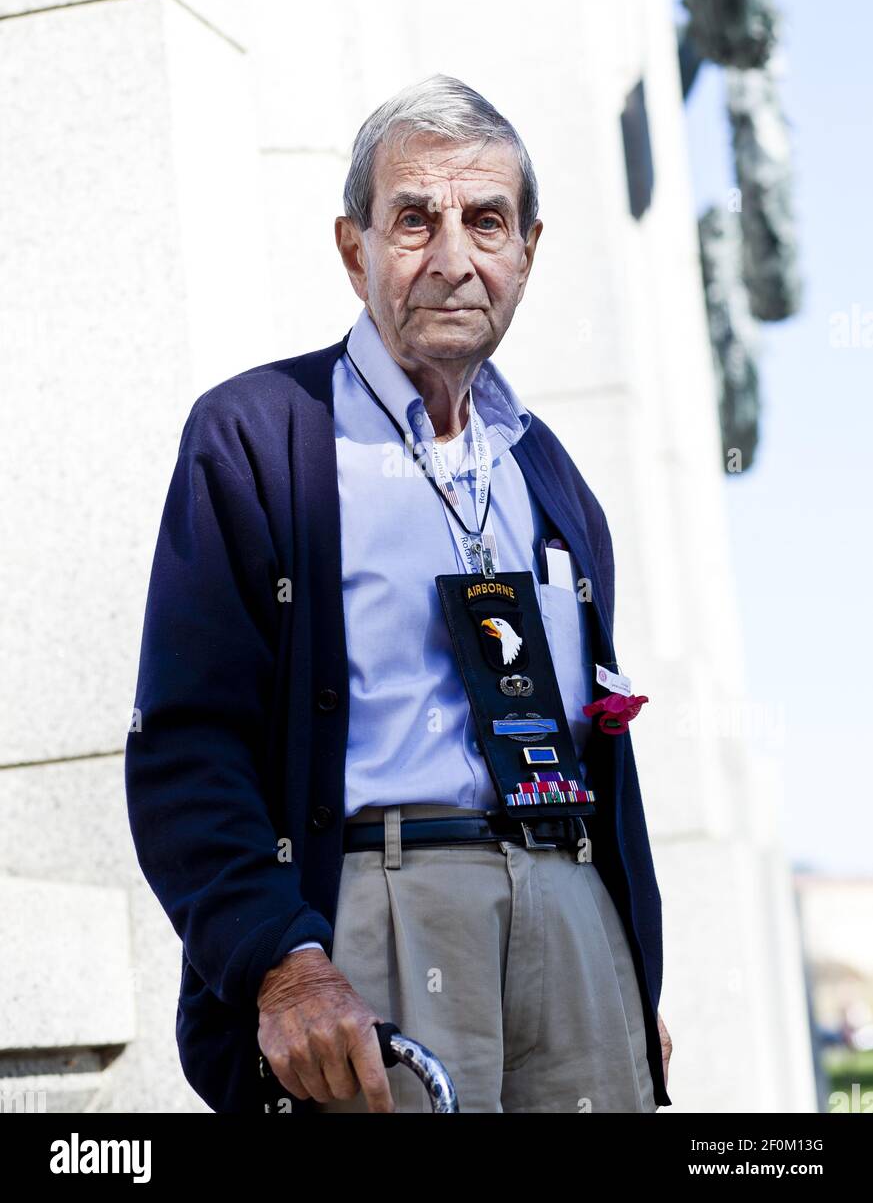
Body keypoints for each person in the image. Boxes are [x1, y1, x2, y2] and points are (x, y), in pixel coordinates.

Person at [126, 74, 672, 1114]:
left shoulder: (551, 476)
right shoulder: (259, 438)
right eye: (414, 219)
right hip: (376, 918)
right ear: (354, 249)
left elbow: (592, 745)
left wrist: (622, 958)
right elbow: (185, 741)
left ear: (528, 249)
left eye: (487, 221)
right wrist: (279, 960)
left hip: (571, 923)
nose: (453, 258)